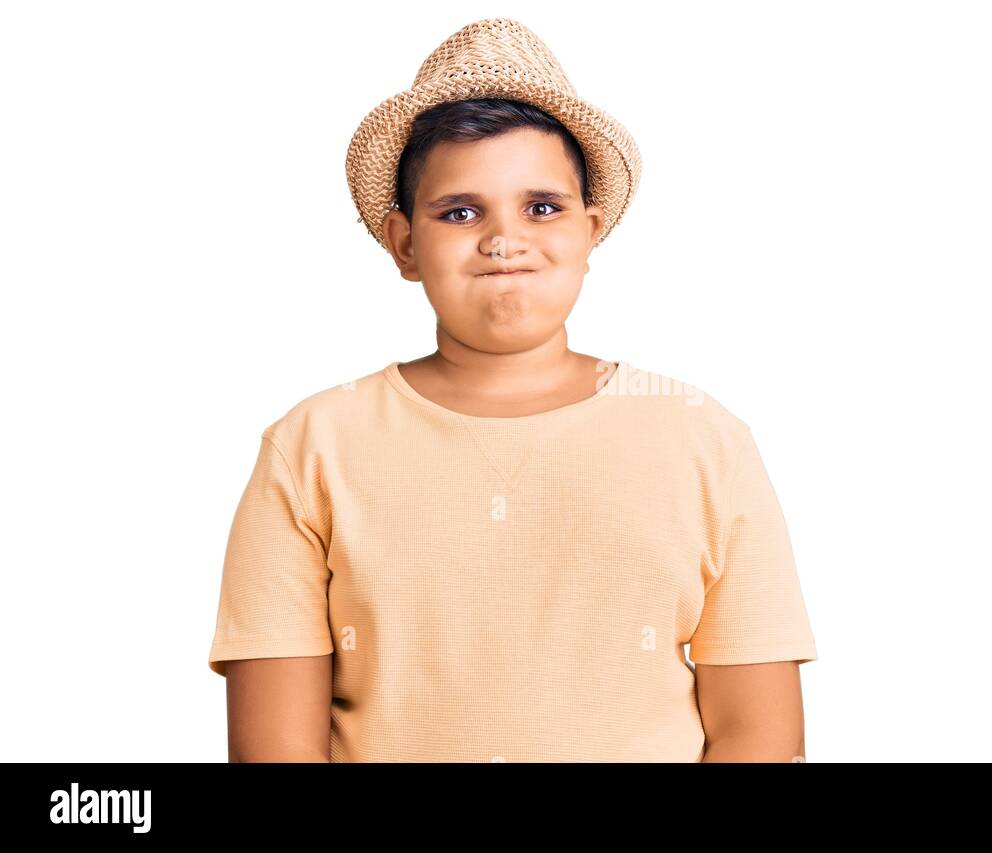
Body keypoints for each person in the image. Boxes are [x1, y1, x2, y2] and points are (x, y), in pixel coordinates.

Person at [208, 17, 817, 762]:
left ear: (590, 231)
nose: (504, 239)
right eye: (460, 212)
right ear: (404, 243)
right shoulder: (312, 447)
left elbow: (760, 733)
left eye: (541, 207)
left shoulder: (701, 436)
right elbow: (275, 750)